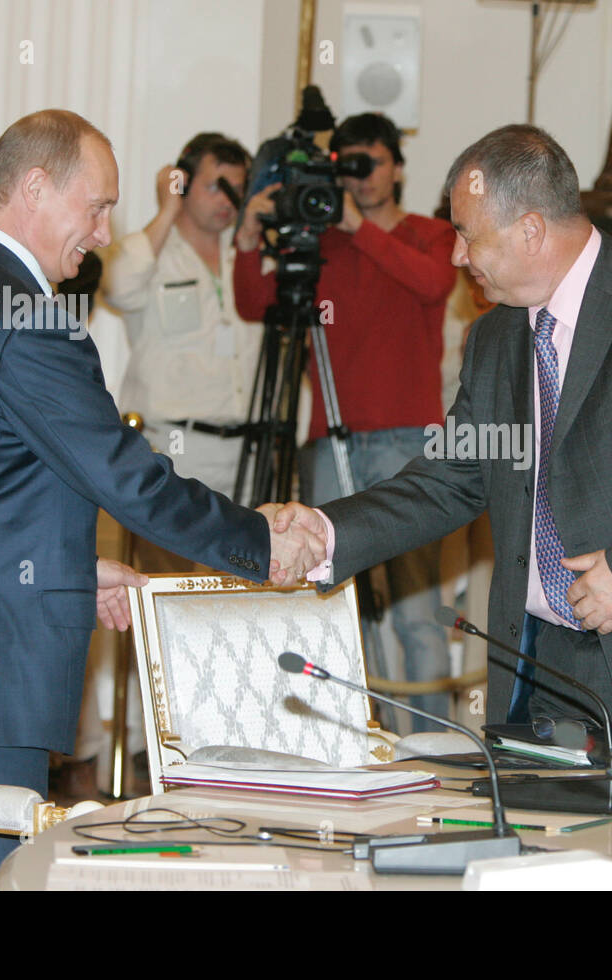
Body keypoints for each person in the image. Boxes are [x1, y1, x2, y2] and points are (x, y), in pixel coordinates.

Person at [0, 109, 324, 890]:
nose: (105, 233)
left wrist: (75, 569)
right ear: (36, 188)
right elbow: (131, 480)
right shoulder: (30, 319)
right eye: (97, 206)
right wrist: (260, 538)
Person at [276, 124, 612, 741]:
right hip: (547, 675)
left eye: (466, 233)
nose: (457, 255)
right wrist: (325, 533)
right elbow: (449, 480)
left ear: (531, 230)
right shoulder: (493, 338)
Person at [234, 112, 456, 730]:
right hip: (328, 440)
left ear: (398, 168)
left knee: (415, 606)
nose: (357, 179)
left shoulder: (428, 234)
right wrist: (251, 238)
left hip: (409, 440)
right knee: (340, 600)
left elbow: (435, 283)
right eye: (346, 166)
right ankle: (360, 743)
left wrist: (359, 229)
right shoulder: (321, 245)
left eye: (370, 164)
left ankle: (439, 752)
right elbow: (257, 304)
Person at [106, 132, 259, 504]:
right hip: (175, 447)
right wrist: (168, 210)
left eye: (236, 189)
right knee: (171, 565)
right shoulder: (152, 251)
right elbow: (117, 287)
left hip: (247, 451)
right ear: (184, 185)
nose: (227, 200)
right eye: (214, 187)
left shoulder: (250, 253)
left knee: (250, 562)